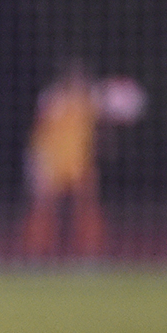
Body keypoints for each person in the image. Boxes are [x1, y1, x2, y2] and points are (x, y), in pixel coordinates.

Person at [20, 60, 105, 257]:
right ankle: (36, 252)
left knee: (86, 207)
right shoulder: (52, 98)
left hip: (79, 162)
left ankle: (89, 252)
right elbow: (38, 131)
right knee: (43, 209)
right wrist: (36, 162)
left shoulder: (90, 99)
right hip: (50, 162)